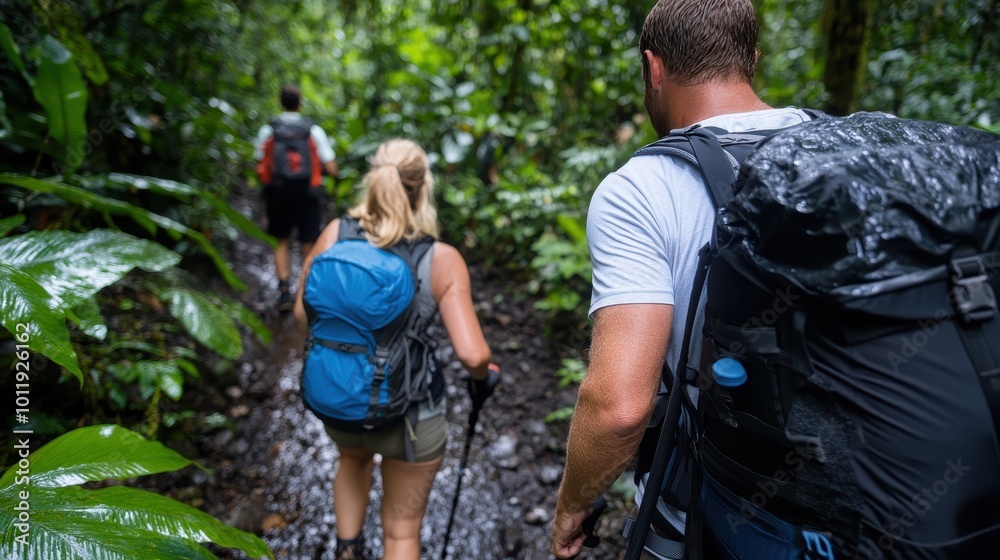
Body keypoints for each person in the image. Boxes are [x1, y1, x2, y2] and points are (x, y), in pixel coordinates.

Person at [551, 1, 817, 557]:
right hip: (856, 502)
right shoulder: (839, 149)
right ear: (753, 59)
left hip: (707, 513)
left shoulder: (642, 189)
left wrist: (573, 505)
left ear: (654, 67)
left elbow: (620, 408)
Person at [293, 138, 499, 560]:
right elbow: (473, 355)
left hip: (341, 399)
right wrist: (484, 378)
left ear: (372, 181)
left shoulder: (335, 233)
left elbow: (301, 313)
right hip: (411, 416)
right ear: (423, 189)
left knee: (352, 461)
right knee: (402, 533)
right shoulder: (440, 259)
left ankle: (347, 549)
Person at [254, 84, 339, 311]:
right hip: (308, 194)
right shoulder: (313, 130)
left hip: (278, 192)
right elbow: (330, 166)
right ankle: (305, 290)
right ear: (300, 103)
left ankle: (284, 291)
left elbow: (259, 161)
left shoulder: (269, 129)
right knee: (308, 242)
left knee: (281, 239)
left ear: (280, 102)